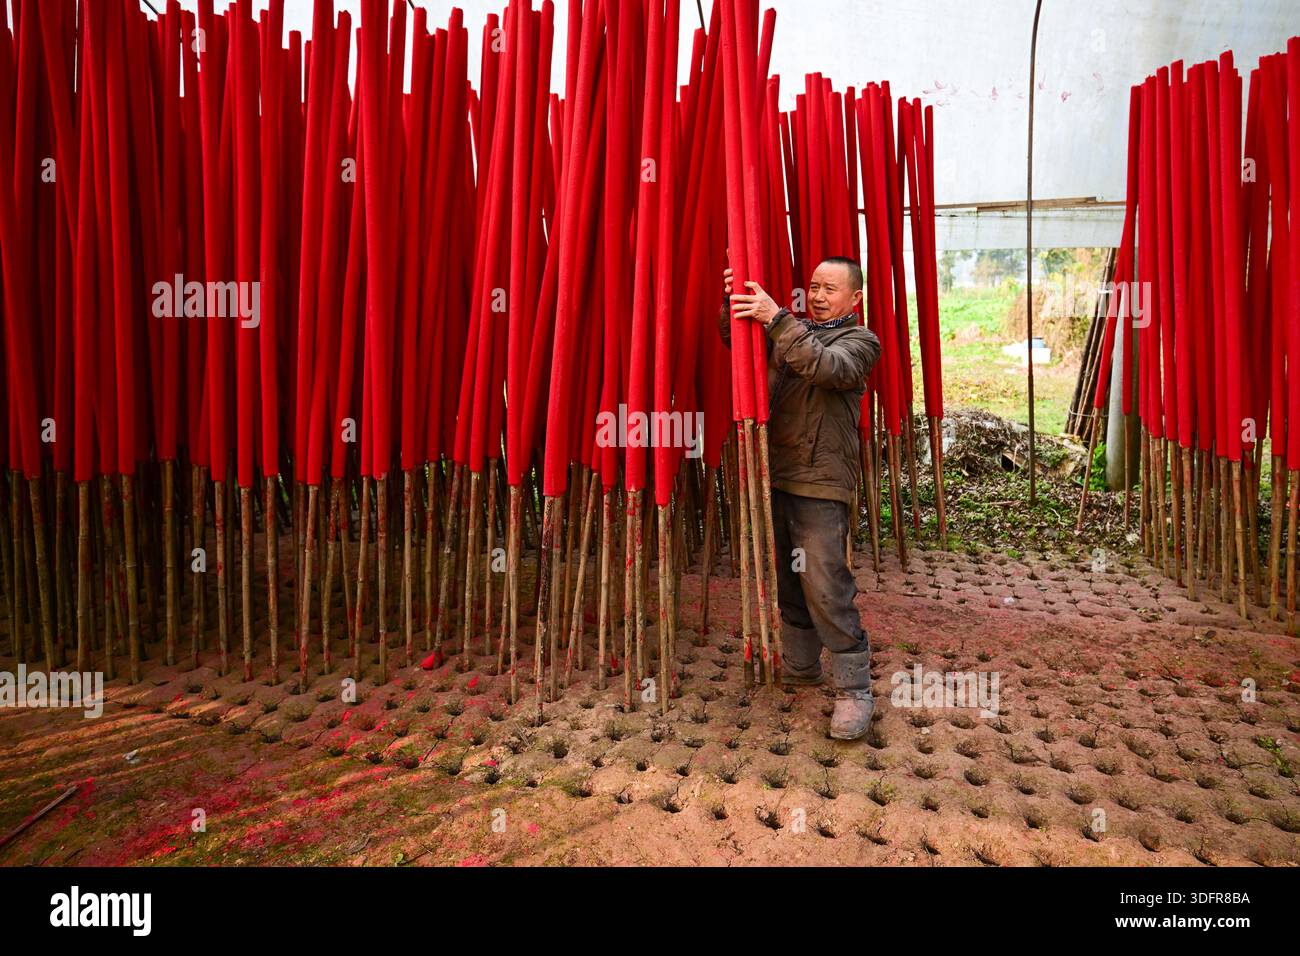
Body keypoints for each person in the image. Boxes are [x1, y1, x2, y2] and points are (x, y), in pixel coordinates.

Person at [719, 257, 882, 740]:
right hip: (778, 472)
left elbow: (825, 369)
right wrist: (731, 302)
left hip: (820, 479)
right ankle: (801, 664)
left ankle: (855, 690)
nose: (817, 295)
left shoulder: (859, 342)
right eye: (812, 286)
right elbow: (738, 342)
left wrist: (775, 318)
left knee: (825, 582)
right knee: (789, 576)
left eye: (829, 288)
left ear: (854, 299)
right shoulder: (794, 331)